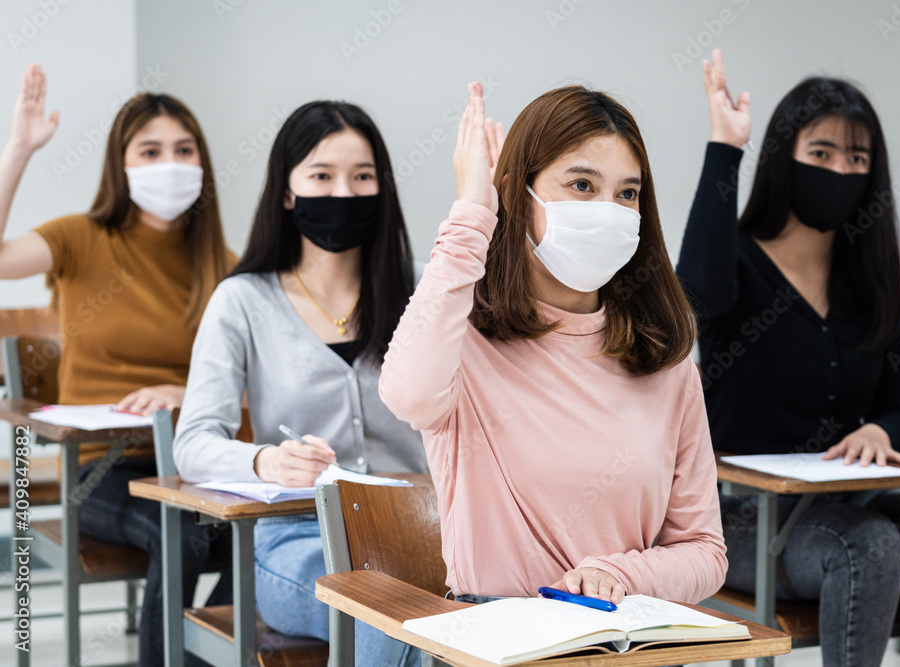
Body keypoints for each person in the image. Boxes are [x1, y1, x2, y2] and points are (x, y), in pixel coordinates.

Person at [675, 49, 900, 666]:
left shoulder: (869, 280)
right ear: (784, 159)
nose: (841, 170)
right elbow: (695, 300)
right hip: (740, 514)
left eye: (857, 159)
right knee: (866, 548)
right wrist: (724, 150)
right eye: (821, 153)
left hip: (847, 502)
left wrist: (878, 428)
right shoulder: (734, 260)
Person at [379, 82, 727, 607]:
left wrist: (622, 574)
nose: (608, 210)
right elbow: (407, 394)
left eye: (626, 193)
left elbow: (704, 550)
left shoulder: (664, 358)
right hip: (495, 642)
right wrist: (475, 210)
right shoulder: (462, 334)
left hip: (623, 641)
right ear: (521, 194)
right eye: (582, 185)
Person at [172, 100, 429, 666]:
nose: (342, 192)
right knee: (386, 617)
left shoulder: (425, 289)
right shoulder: (241, 301)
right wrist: (265, 462)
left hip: (421, 533)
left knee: (495, 606)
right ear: (287, 192)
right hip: (297, 541)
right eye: (321, 175)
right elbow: (191, 444)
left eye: (361, 177)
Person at [0, 64, 235, 665]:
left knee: (263, 533)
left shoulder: (224, 264)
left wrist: (184, 389)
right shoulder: (80, 237)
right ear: (121, 163)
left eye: (184, 150)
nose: (169, 163)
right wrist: (19, 149)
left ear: (202, 163)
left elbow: (255, 376)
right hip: (102, 470)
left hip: (196, 465)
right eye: (150, 150)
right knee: (182, 531)